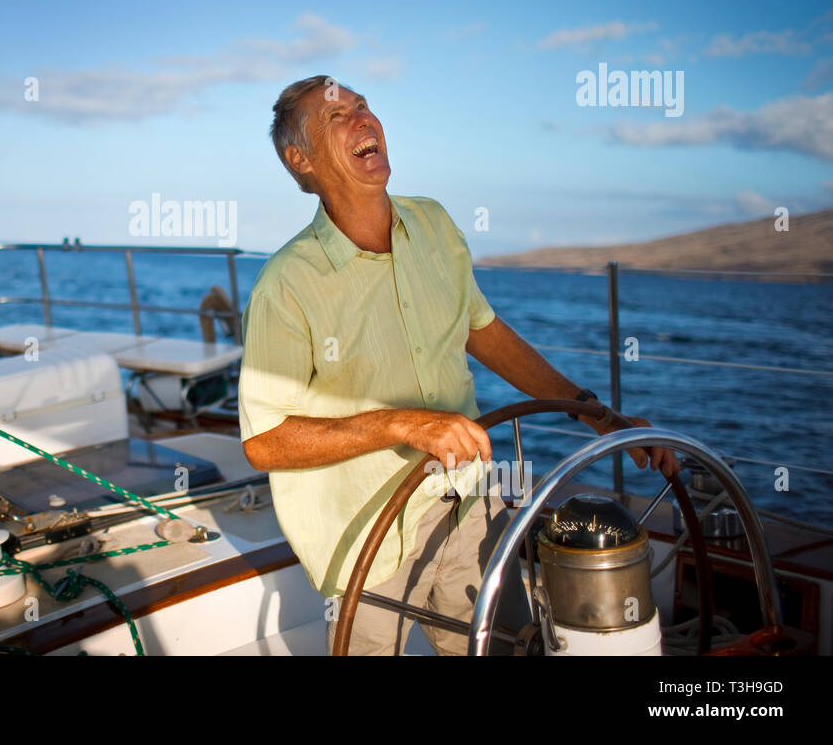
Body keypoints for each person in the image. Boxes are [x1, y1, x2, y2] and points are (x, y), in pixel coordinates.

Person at [239, 75, 681, 656]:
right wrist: (403, 424)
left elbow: (484, 331)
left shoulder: (435, 226)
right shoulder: (287, 284)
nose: (363, 120)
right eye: (336, 117)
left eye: (363, 107)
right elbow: (265, 442)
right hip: (368, 539)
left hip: (472, 504)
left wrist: (597, 415)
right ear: (302, 161)